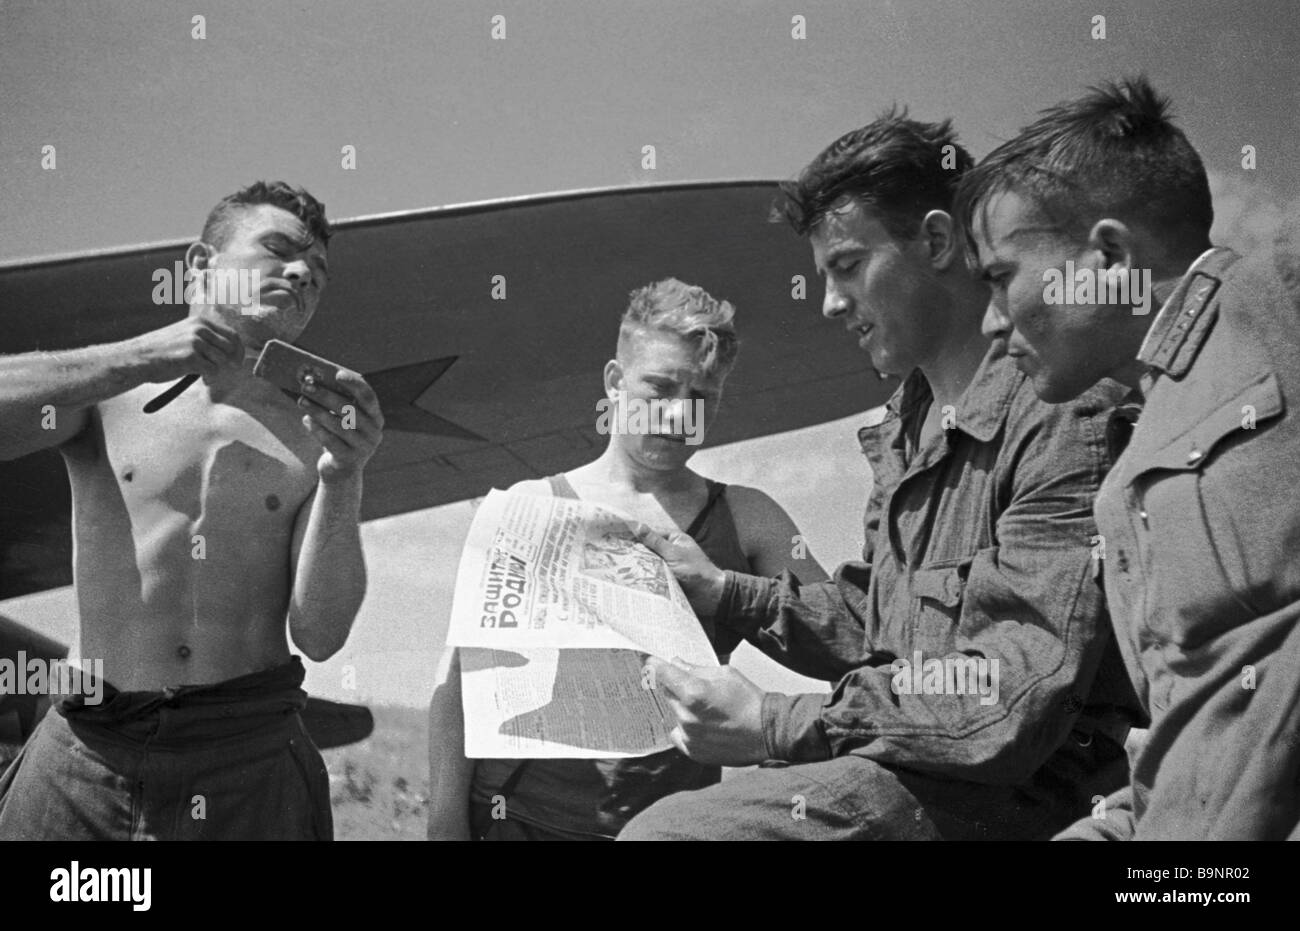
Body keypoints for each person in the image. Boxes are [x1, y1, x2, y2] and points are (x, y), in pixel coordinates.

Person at [621, 110, 1137, 841]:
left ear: (934, 241)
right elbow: (874, 623)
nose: (831, 304)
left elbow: (1007, 693)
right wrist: (722, 590)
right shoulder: (904, 426)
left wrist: (773, 722)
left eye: (847, 266)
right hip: (909, 772)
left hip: (1024, 797)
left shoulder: (1063, 413)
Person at [958, 76, 1300, 840]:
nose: (989, 322)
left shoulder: (1275, 294)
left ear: (1110, 254)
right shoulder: (1127, 463)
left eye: (1000, 278)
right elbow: (1189, 732)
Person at [0, 181, 384, 840]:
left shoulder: (314, 434)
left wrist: (345, 476)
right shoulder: (111, 392)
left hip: (248, 757)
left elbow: (320, 632)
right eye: (278, 249)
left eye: (317, 272)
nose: (301, 273)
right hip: (89, 751)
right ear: (201, 265)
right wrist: (142, 354)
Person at [427, 278, 828, 840]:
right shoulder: (530, 505)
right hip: (517, 817)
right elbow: (458, 681)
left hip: (671, 826)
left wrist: (780, 741)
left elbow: (844, 635)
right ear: (614, 382)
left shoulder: (749, 517)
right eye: (658, 389)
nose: (675, 416)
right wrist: (444, 825)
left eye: (700, 399)